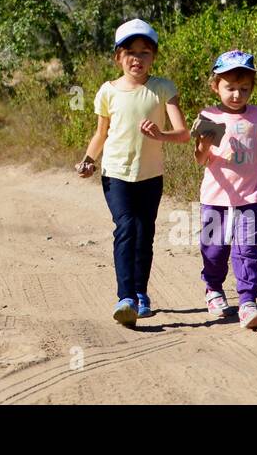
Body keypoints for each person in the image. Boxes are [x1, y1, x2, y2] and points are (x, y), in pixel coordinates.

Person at [76, 19, 189, 326]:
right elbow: (101, 134)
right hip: (115, 174)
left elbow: (182, 133)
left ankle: (140, 294)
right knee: (126, 227)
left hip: (151, 176)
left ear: (154, 57)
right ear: (118, 57)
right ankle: (125, 297)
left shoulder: (163, 88)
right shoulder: (107, 91)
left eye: (145, 52)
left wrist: (160, 135)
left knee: (145, 234)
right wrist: (88, 159)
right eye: (130, 52)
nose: (137, 58)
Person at [191, 50, 257, 330]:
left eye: (244, 88)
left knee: (248, 249)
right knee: (213, 248)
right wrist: (204, 144)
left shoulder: (256, 114)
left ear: (252, 87)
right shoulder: (208, 115)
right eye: (230, 88)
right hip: (216, 196)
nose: (237, 94)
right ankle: (213, 289)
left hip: (251, 194)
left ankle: (247, 302)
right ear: (216, 86)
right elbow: (200, 159)